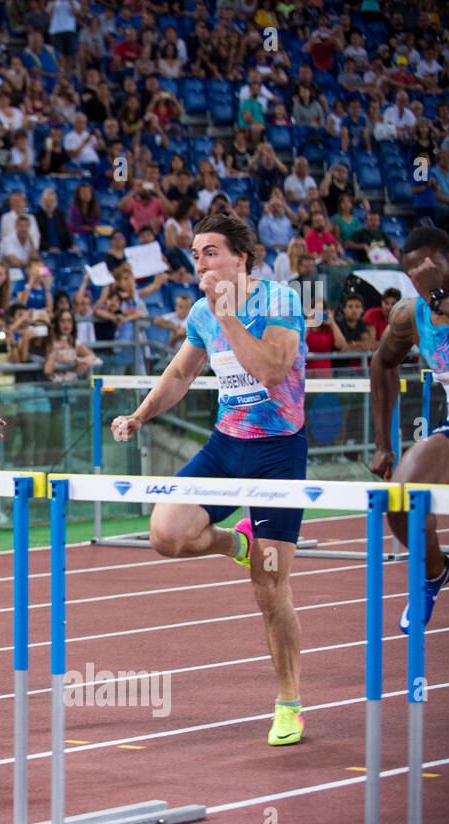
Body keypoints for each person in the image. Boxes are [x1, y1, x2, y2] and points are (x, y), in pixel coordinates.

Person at [111, 214, 309, 746]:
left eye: (211, 252)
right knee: (166, 534)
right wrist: (139, 415)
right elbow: (181, 373)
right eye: (196, 253)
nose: (200, 263)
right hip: (225, 448)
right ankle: (233, 542)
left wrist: (228, 315)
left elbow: (270, 370)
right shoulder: (201, 312)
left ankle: (288, 703)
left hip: (277, 453)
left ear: (241, 257)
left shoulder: (281, 302)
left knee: (269, 587)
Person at [369, 227, 449, 633]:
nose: (422, 280)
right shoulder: (411, 315)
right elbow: (382, 364)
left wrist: (441, 297)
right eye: (413, 274)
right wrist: (383, 445)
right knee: (399, 499)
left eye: (430, 268)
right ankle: (433, 573)